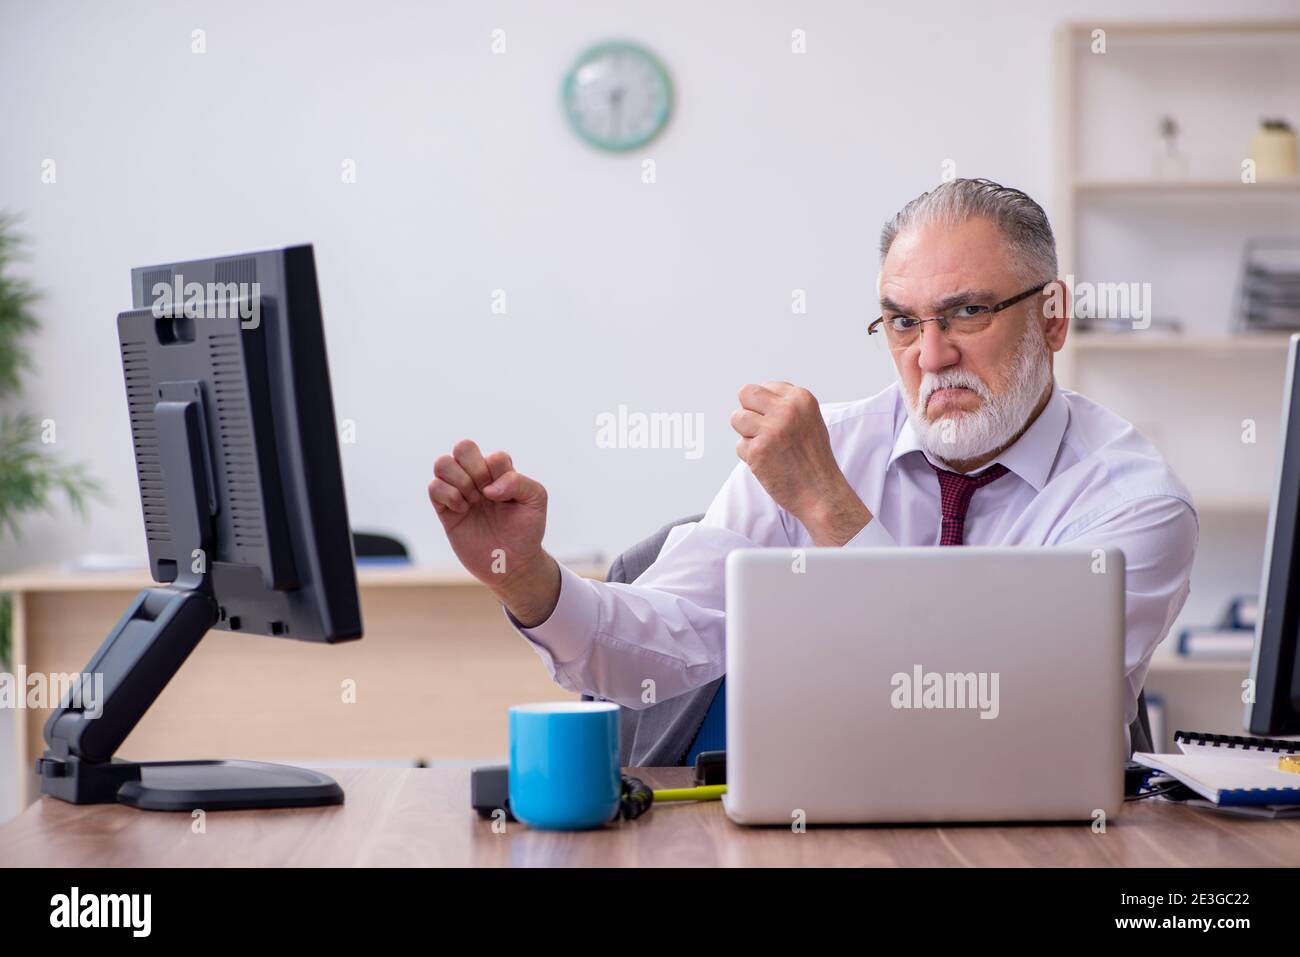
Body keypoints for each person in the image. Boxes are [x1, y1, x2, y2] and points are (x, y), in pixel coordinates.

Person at [426, 178, 1197, 743]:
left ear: (1053, 318)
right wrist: (524, 575)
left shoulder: (1129, 500)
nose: (932, 355)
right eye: (902, 322)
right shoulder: (823, 446)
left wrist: (830, 508)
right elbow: (656, 650)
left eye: (968, 311)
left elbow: (998, 706)